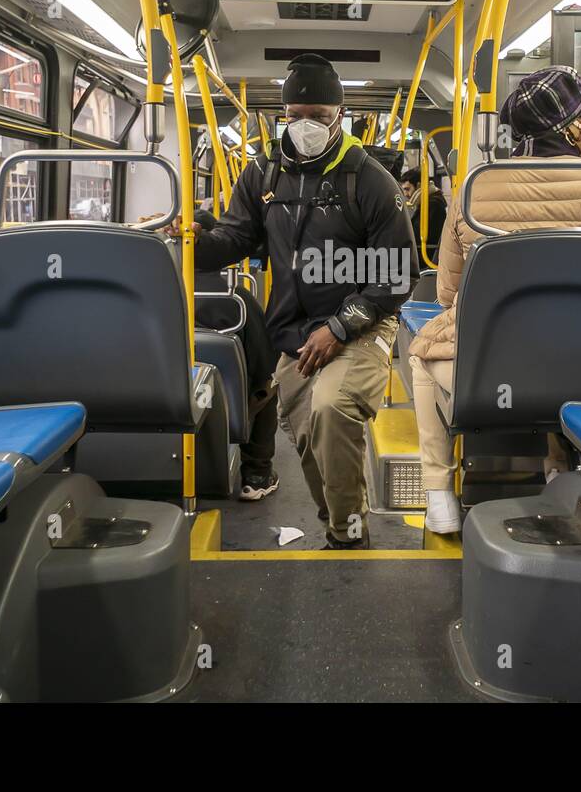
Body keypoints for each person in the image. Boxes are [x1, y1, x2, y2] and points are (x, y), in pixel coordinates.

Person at [170, 53, 418, 548]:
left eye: (320, 117)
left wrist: (340, 328)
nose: (307, 126)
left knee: (333, 408)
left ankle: (348, 535)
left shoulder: (368, 179)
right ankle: (338, 518)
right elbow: (237, 238)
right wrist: (196, 241)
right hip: (294, 329)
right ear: (285, 115)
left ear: (339, 117)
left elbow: (395, 274)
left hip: (363, 321)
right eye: (297, 115)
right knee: (305, 435)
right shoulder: (263, 174)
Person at [407, 65, 581, 534]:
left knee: (423, 356)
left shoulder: (473, 190)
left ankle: (439, 496)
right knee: (565, 335)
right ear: (570, 130)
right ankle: (560, 469)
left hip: (498, 372)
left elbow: (448, 292)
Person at [191, 209, 279, 501]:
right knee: (271, 387)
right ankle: (257, 474)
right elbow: (263, 360)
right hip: (226, 404)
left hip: (164, 397)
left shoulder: (158, 291)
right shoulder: (237, 297)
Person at [401, 165, 448, 262]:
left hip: (424, 254)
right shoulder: (430, 201)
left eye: (407, 189)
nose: (406, 194)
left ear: (418, 185)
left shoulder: (432, 205)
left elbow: (417, 235)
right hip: (421, 251)